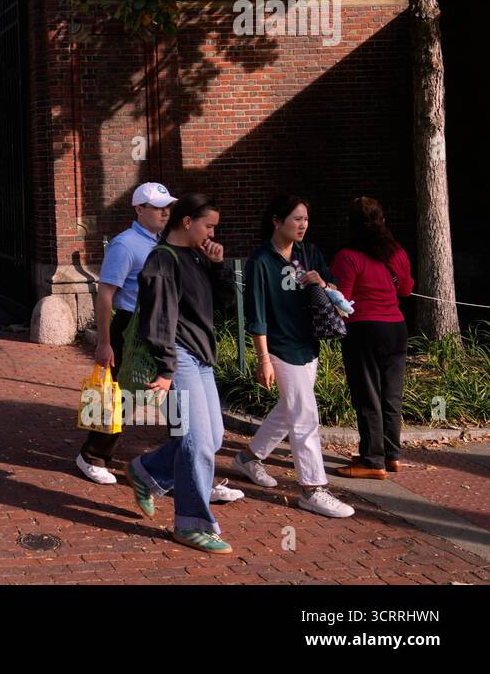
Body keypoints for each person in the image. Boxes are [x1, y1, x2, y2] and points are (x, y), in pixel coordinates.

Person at [231, 196, 355, 518]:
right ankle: (312, 489)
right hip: (281, 347)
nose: (303, 225)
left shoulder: (308, 252)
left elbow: (334, 285)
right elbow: (256, 316)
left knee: (291, 408)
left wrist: (322, 281)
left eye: (305, 219)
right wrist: (263, 359)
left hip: (308, 344)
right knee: (304, 416)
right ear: (277, 220)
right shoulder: (260, 261)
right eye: (296, 219)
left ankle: (248, 458)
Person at [127, 193, 237, 554]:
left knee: (214, 438)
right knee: (197, 442)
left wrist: (218, 265)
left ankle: (147, 472)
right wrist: (166, 369)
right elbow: (158, 319)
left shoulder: (195, 256)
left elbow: (222, 306)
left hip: (201, 357)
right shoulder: (162, 260)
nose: (212, 233)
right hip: (180, 358)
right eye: (208, 226)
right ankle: (191, 524)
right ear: (187, 222)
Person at [77, 182, 176, 485]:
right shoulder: (125, 244)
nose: (165, 212)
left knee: (176, 394)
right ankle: (92, 455)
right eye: (158, 207)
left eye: (167, 206)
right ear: (139, 209)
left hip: (160, 327)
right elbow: (106, 294)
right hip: (130, 326)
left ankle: (183, 455)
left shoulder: (165, 242)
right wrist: (105, 342)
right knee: (117, 394)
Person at [331, 197, 414, 478]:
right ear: (383, 221)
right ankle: (392, 456)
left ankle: (371, 460)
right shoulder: (397, 253)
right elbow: (405, 289)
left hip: (363, 330)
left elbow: (343, 299)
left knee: (367, 395)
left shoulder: (348, 256)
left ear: (350, 224)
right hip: (397, 329)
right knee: (392, 396)